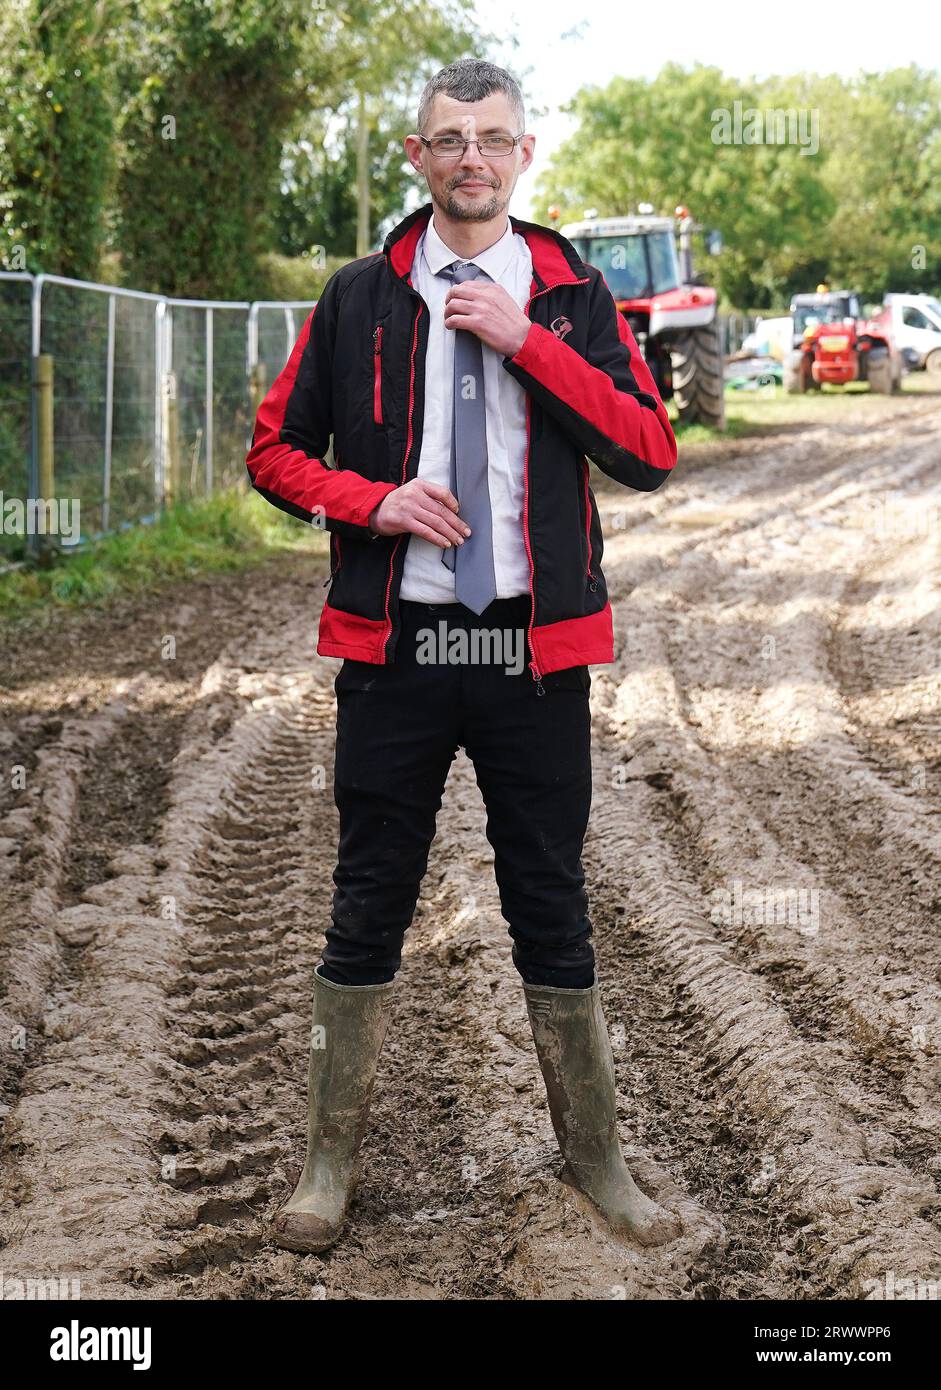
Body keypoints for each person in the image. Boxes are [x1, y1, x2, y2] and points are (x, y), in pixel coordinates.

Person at [245, 58, 681, 1254]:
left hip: (530, 655)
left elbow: (648, 450)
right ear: (416, 156)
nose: (470, 157)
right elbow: (274, 453)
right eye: (447, 138)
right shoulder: (354, 297)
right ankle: (326, 1166)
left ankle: (597, 1161)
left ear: (523, 154)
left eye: (492, 137)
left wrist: (527, 344)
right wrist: (371, 503)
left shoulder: (575, 294)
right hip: (399, 647)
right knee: (368, 894)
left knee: (548, 894)